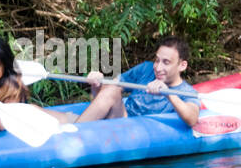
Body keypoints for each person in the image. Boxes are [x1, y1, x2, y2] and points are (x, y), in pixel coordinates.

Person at [70, 35, 200, 128]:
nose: (158, 68)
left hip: (130, 129)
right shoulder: (146, 69)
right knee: (58, 116)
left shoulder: (186, 91)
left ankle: (72, 134)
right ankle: (73, 129)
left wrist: (168, 93)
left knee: (112, 89)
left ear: (182, 65)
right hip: (117, 117)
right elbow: (110, 89)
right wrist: (97, 84)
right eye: (157, 60)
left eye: (166, 62)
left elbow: (192, 119)